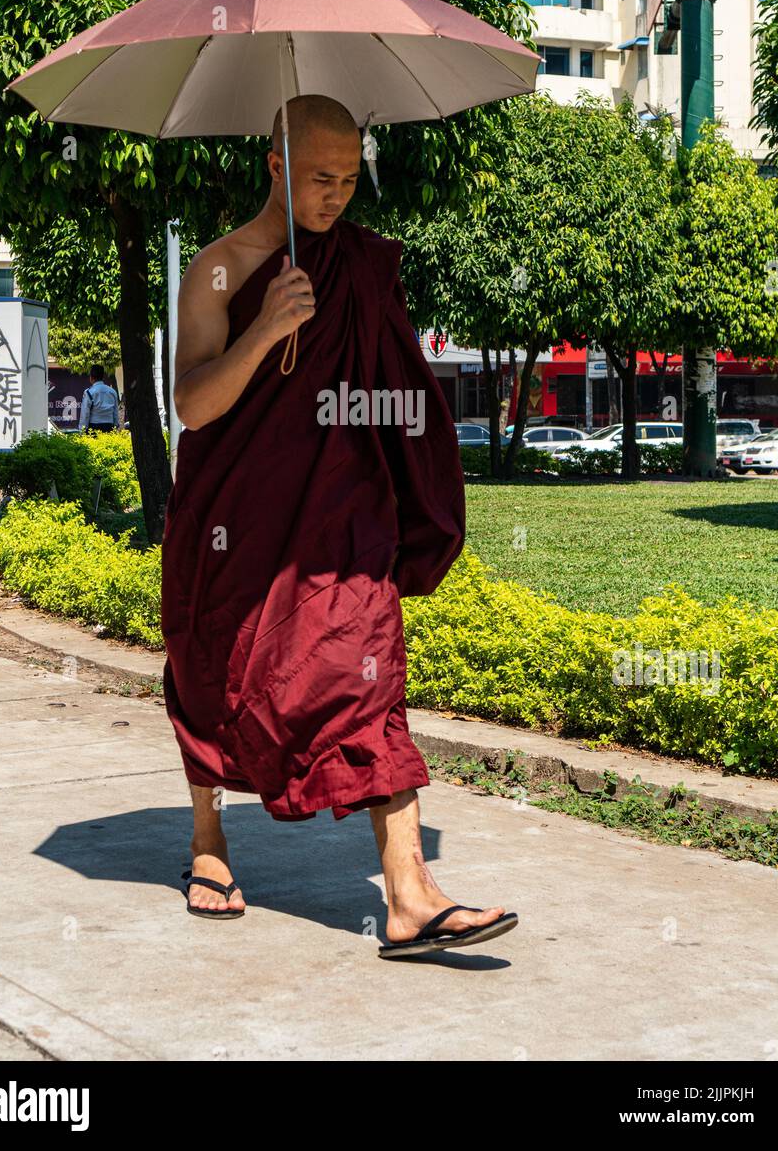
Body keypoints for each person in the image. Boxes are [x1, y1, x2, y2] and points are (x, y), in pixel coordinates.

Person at [162, 94, 516, 955]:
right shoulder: (217, 270)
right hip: (237, 524)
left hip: (341, 514)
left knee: (366, 676)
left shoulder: (355, 267)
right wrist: (266, 331)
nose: (337, 198)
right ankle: (210, 842)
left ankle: (407, 894)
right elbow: (192, 405)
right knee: (217, 680)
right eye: (321, 179)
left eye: (351, 180)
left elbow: (387, 383)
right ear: (275, 166)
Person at [78, 365, 120, 433]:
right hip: (109, 427)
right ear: (103, 377)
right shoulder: (112, 391)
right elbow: (115, 413)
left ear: (91, 377)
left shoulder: (89, 392)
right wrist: (115, 428)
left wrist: (82, 431)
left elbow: (85, 414)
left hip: (93, 428)